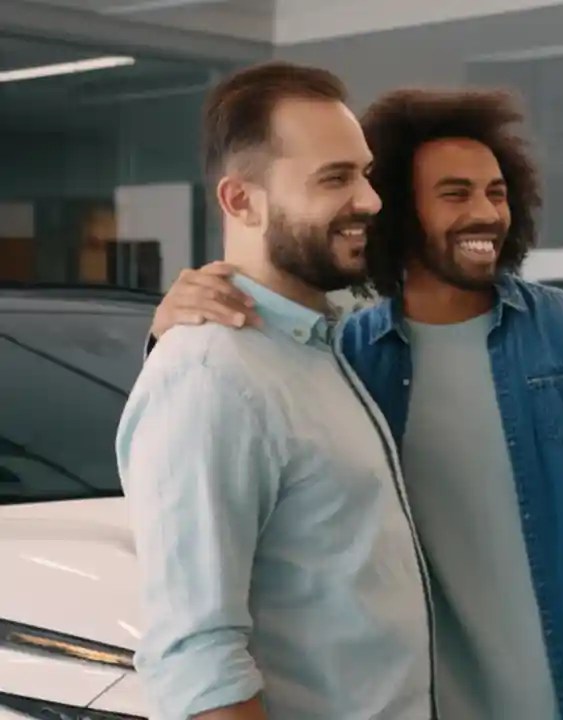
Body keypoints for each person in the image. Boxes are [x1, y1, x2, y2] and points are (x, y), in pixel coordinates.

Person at [148, 88, 563, 720]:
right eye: (454, 194)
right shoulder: (352, 351)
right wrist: (166, 330)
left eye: (497, 192)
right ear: (402, 212)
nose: (485, 212)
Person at [116, 62, 435, 719]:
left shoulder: (315, 353)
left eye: (365, 173)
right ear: (241, 201)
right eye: (335, 178)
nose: (371, 201)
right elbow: (197, 665)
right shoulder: (209, 378)